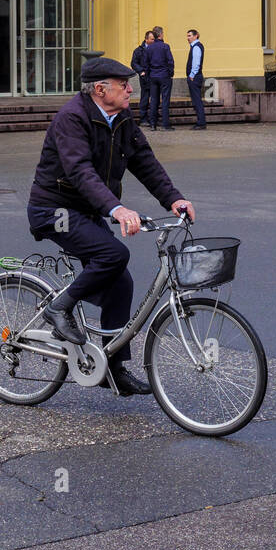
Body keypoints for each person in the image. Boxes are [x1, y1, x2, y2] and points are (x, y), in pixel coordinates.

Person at [26, 56, 195, 395]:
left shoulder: (121, 118)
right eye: (123, 85)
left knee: (121, 283)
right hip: (53, 210)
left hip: (86, 210)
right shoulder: (71, 119)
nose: (131, 89)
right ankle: (58, 309)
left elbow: (145, 162)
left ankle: (113, 369)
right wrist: (117, 209)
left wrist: (174, 199)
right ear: (100, 89)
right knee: (113, 253)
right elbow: (80, 172)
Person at [145, 26, 175, 130]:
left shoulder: (149, 48)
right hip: (164, 75)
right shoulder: (165, 46)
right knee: (165, 100)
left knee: (154, 100)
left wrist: (149, 75)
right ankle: (165, 124)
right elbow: (170, 61)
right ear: (161, 34)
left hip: (153, 76)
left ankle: (153, 124)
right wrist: (170, 73)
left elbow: (146, 63)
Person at [130, 30, 154, 122]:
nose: (153, 41)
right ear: (146, 39)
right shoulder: (138, 50)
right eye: (151, 39)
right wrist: (141, 71)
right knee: (145, 97)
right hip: (145, 77)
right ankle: (143, 118)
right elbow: (133, 63)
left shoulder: (154, 48)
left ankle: (153, 118)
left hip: (154, 76)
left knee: (154, 98)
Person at [186, 28, 206, 129]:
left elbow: (196, 63)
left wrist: (192, 75)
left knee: (197, 100)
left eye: (189, 36)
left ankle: (201, 123)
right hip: (196, 76)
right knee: (196, 100)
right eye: (187, 36)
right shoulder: (195, 46)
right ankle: (200, 121)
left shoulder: (196, 47)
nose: (187, 38)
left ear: (196, 36)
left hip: (195, 77)